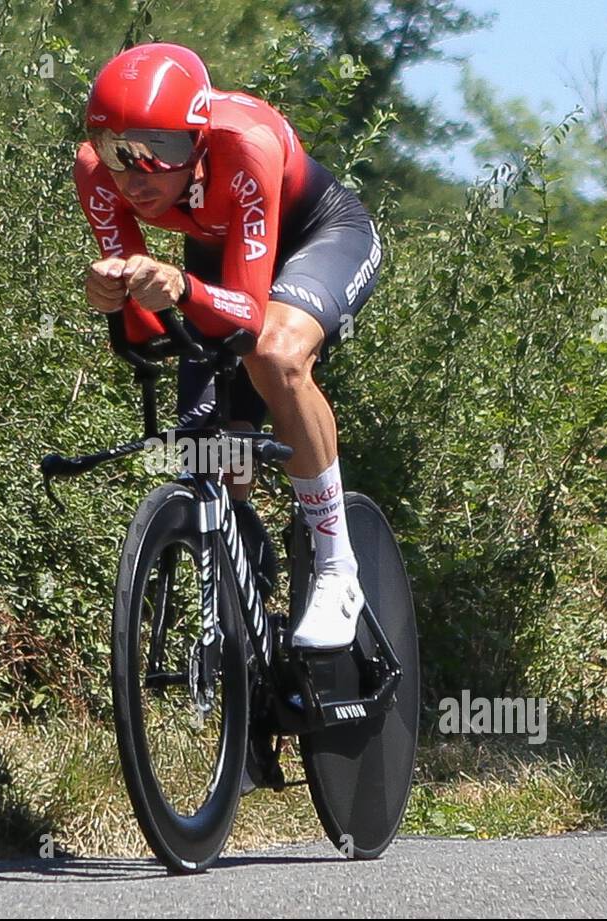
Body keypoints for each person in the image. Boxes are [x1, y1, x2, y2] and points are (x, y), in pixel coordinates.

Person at [74, 41, 382, 651]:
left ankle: (334, 564)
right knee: (208, 445)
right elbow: (150, 334)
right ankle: (244, 633)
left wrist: (181, 286)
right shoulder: (97, 176)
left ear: (199, 138)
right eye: (117, 152)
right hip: (220, 260)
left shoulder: (244, 145)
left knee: (273, 353)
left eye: (158, 150)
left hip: (315, 235)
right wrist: (114, 298)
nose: (136, 175)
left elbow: (245, 320)